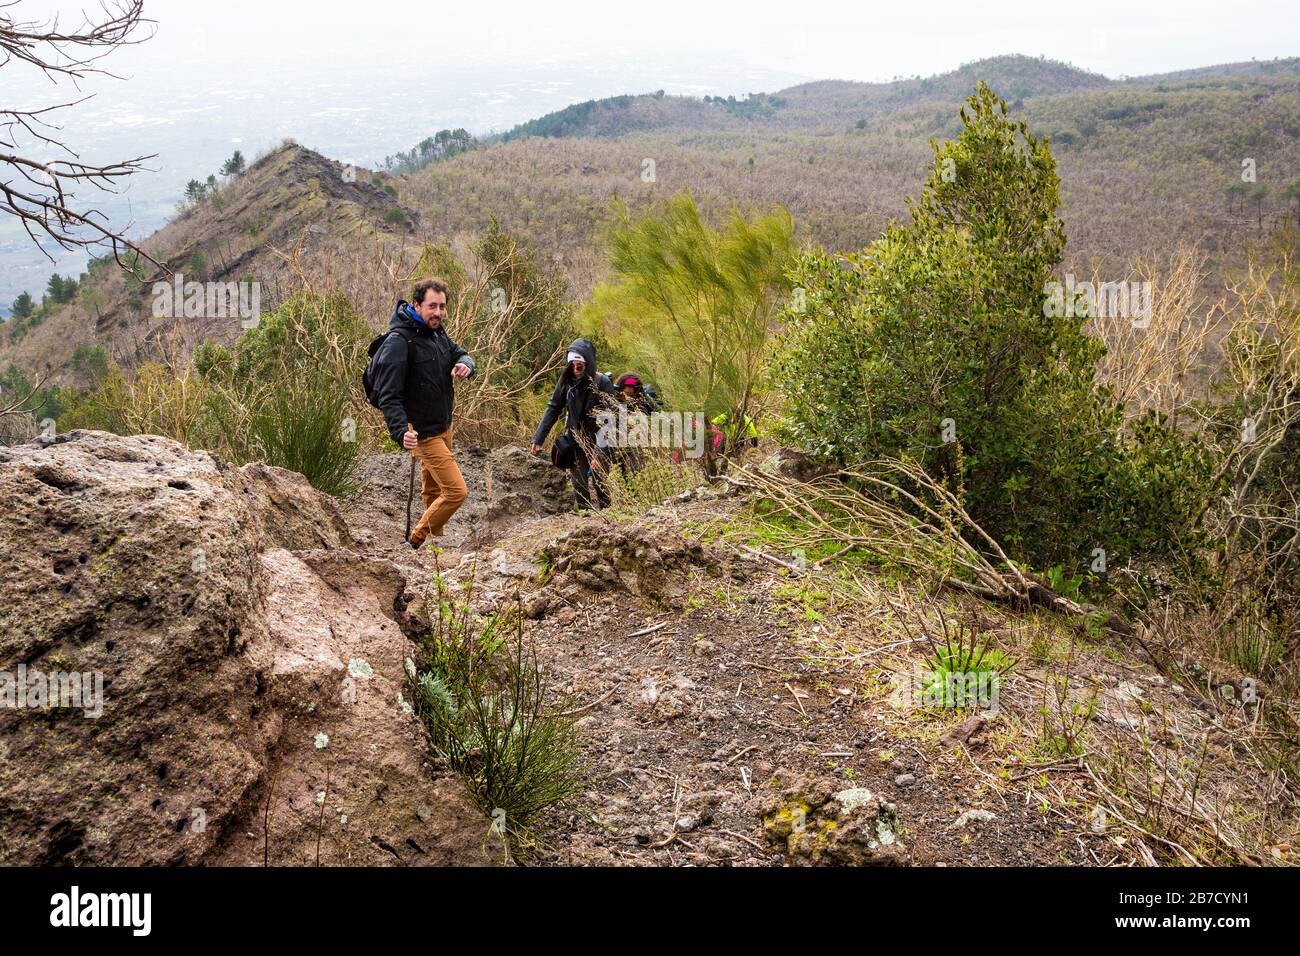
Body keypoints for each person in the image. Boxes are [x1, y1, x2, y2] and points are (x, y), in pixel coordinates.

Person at [369, 278, 475, 547]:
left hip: (444, 425)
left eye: (442, 306)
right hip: (423, 433)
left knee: (433, 488)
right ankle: (415, 540)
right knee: (456, 491)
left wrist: (466, 364)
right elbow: (389, 395)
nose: (438, 312)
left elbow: (458, 353)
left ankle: (433, 548)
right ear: (416, 305)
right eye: (432, 306)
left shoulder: (436, 332)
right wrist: (400, 431)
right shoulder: (399, 342)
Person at [531, 338, 618, 510]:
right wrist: (538, 438)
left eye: (580, 366)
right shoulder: (566, 381)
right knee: (579, 483)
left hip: (599, 439)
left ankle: (608, 515)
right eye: (572, 365)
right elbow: (554, 407)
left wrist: (599, 452)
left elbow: (611, 419)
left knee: (600, 481)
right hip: (576, 440)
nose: (575, 370)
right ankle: (586, 517)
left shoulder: (602, 382)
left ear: (588, 364)